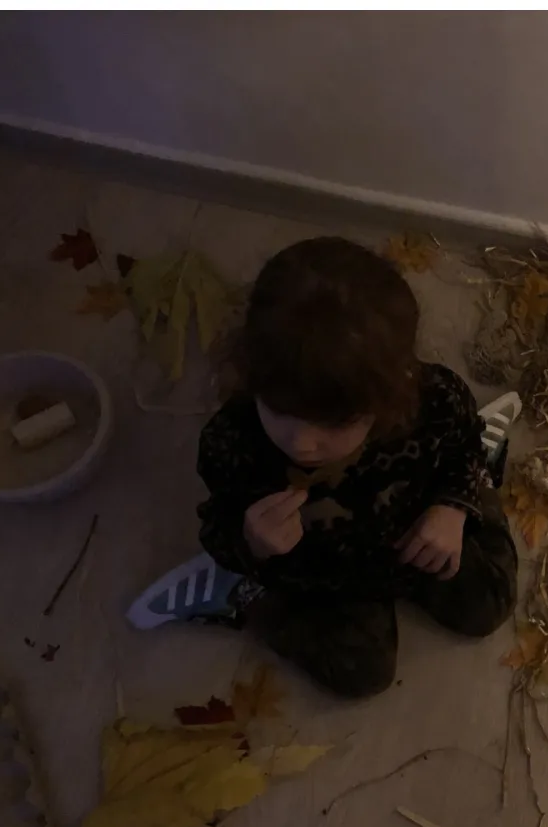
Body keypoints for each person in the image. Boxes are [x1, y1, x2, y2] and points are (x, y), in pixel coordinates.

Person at [126, 237, 522, 698]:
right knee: (362, 674)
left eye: (333, 424)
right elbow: (217, 525)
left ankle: (477, 483)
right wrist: (251, 543)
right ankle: (244, 597)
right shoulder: (232, 442)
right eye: (278, 409)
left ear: (388, 397)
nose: (301, 442)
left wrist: (454, 507)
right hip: (328, 572)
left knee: (489, 606)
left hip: (417, 531)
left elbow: (456, 441)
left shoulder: (433, 401)